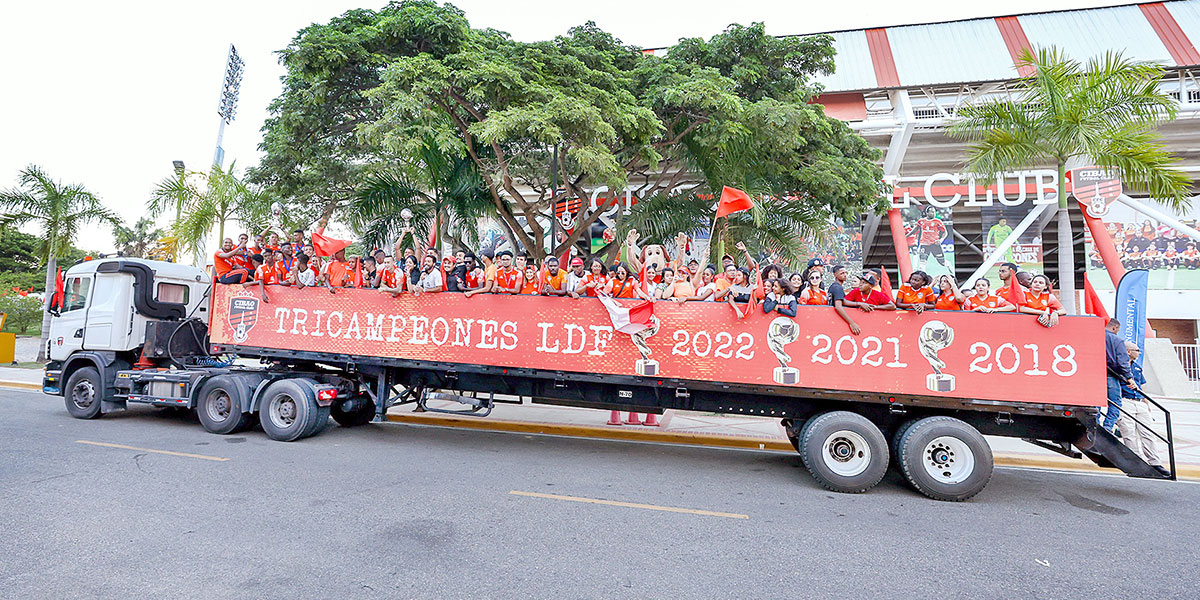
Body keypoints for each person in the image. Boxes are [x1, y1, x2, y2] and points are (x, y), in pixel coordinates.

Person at [1115, 342, 1170, 477]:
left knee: (1148, 432)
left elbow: (1142, 385)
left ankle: (1155, 463)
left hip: (1140, 402)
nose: (1139, 352)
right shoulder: (1119, 366)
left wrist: (1146, 403)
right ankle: (1136, 462)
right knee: (1129, 433)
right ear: (1128, 351)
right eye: (1137, 350)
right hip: (1125, 401)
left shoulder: (1137, 367)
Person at [1103, 319, 1136, 435]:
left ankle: (1094, 426)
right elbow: (1123, 362)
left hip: (1096, 377)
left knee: (1096, 403)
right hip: (1112, 377)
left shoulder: (1095, 337)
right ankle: (1107, 428)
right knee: (1115, 403)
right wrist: (1129, 378)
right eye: (1117, 330)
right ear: (1114, 328)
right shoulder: (1117, 340)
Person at [913, 205, 950, 271]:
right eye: (931, 212)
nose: (933, 213)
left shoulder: (938, 221)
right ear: (927, 213)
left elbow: (945, 233)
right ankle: (922, 279)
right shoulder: (921, 221)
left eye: (934, 212)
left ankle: (949, 266)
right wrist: (906, 236)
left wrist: (941, 240)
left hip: (935, 244)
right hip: (924, 244)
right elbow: (915, 229)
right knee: (922, 264)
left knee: (942, 263)